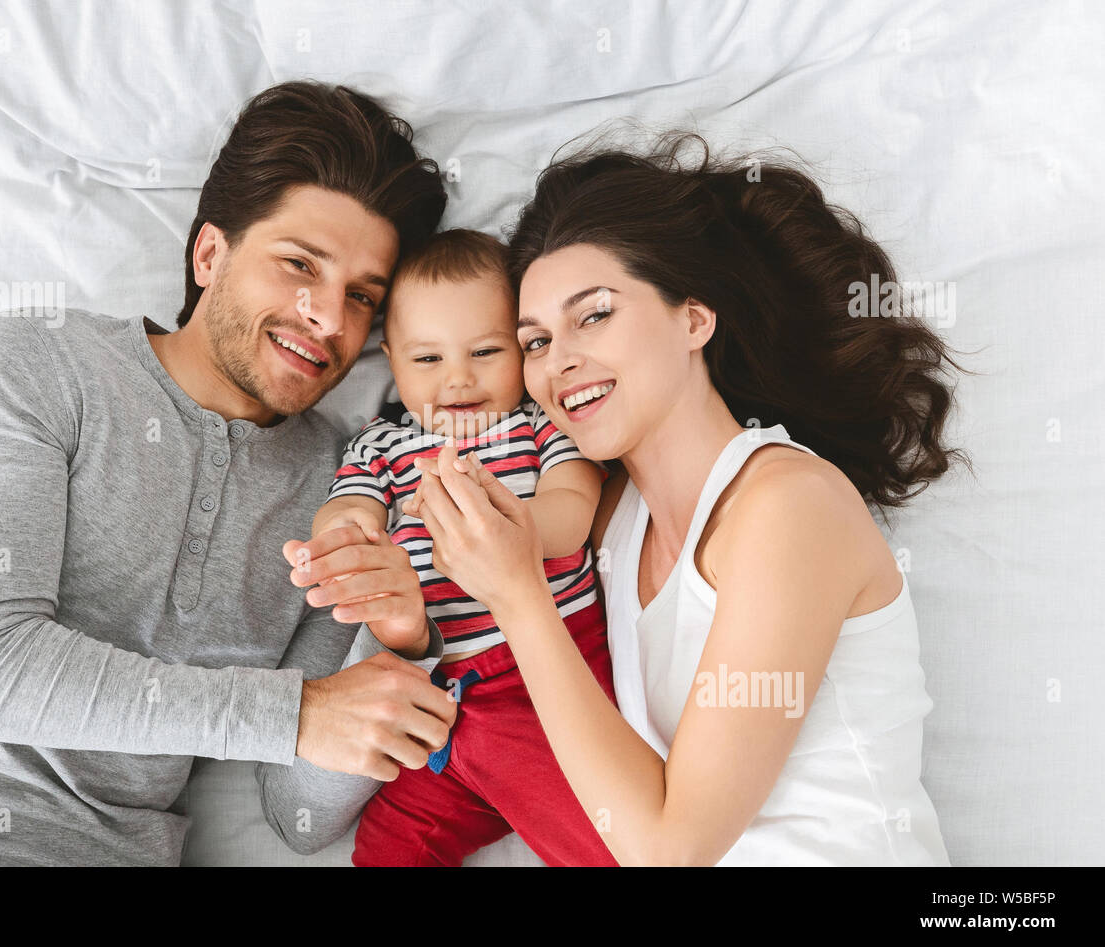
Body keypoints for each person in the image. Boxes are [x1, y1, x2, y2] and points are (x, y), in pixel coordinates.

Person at [0, 80, 456, 866]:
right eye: (298, 265)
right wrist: (293, 713)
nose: (330, 318)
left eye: (361, 297)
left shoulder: (342, 484)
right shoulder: (37, 365)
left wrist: (397, 642)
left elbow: (300, 817)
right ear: (209, 253)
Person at [409, 133, 967, 865]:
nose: (561, 360)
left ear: (694, 320)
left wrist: (519, 596)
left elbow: (671, 848)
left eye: (595, 314)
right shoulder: (606, 524)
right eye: (535, 341)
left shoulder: (787, 506)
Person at [309, 229, 617, 866]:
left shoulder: (538, 426)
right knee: (387, 847)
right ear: (390, 360)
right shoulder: (383, 448)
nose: (458, 379)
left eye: (485, 351)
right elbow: (350, 506)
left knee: (599, 836)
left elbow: (574, 509)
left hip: (537, 682)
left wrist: (507, 530)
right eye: (427, 361)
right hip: (439, 703)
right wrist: (344, 541)